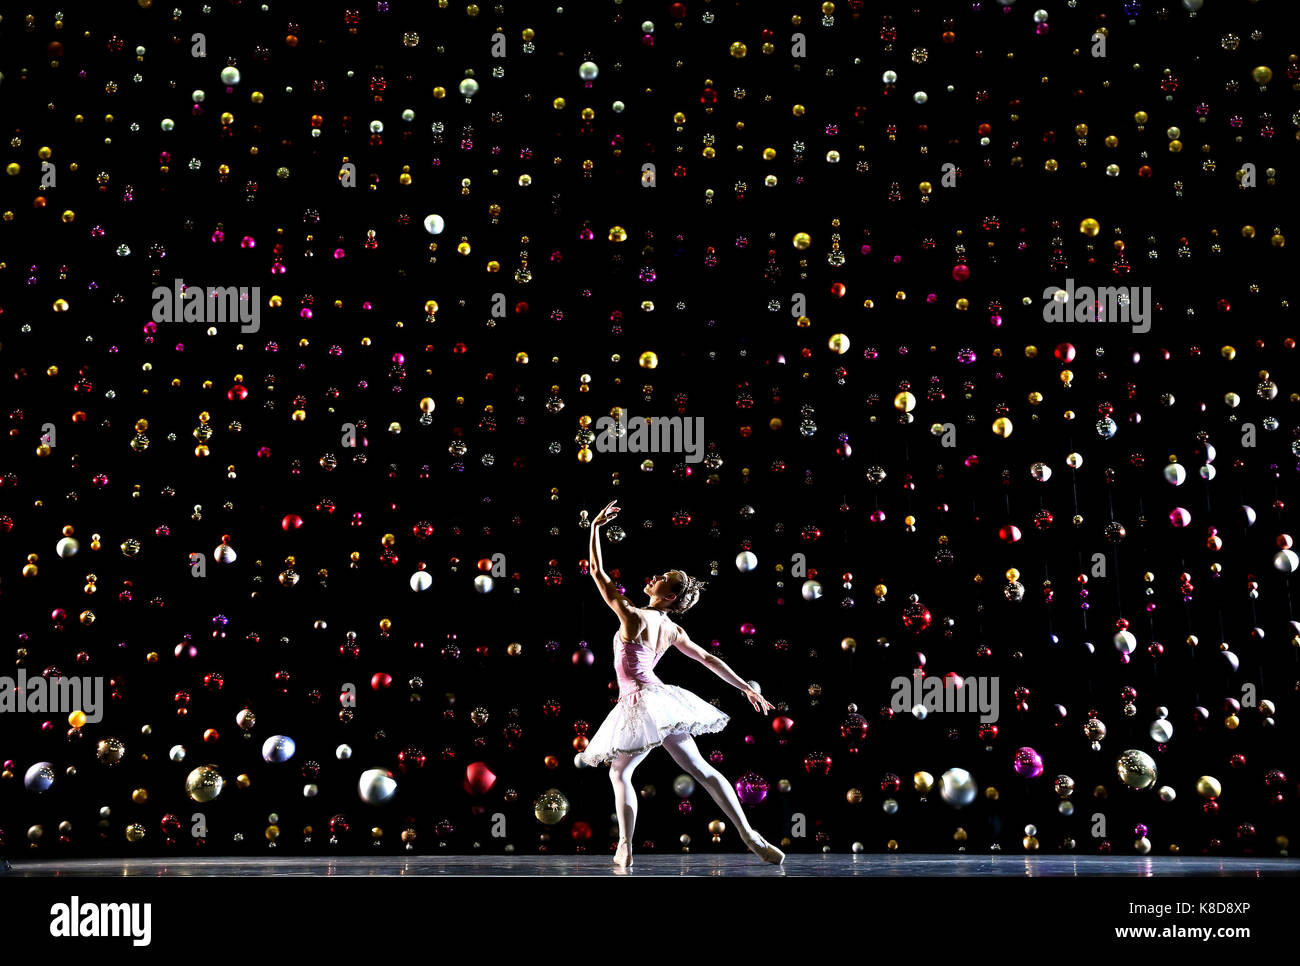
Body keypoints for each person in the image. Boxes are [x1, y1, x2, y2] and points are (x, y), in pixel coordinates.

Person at [580, 499, 785, 868]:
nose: (653, 578)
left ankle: (626, 846)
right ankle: (750, 835)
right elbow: (709, 660)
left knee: (620, 771)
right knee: (701, 768)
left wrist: (595, 527)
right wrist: (745, 687)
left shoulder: (632, 616)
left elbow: (597, 571)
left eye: (661, 579)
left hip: (641, 702)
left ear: (669, 596)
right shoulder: (672, 628)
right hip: (658, 701)